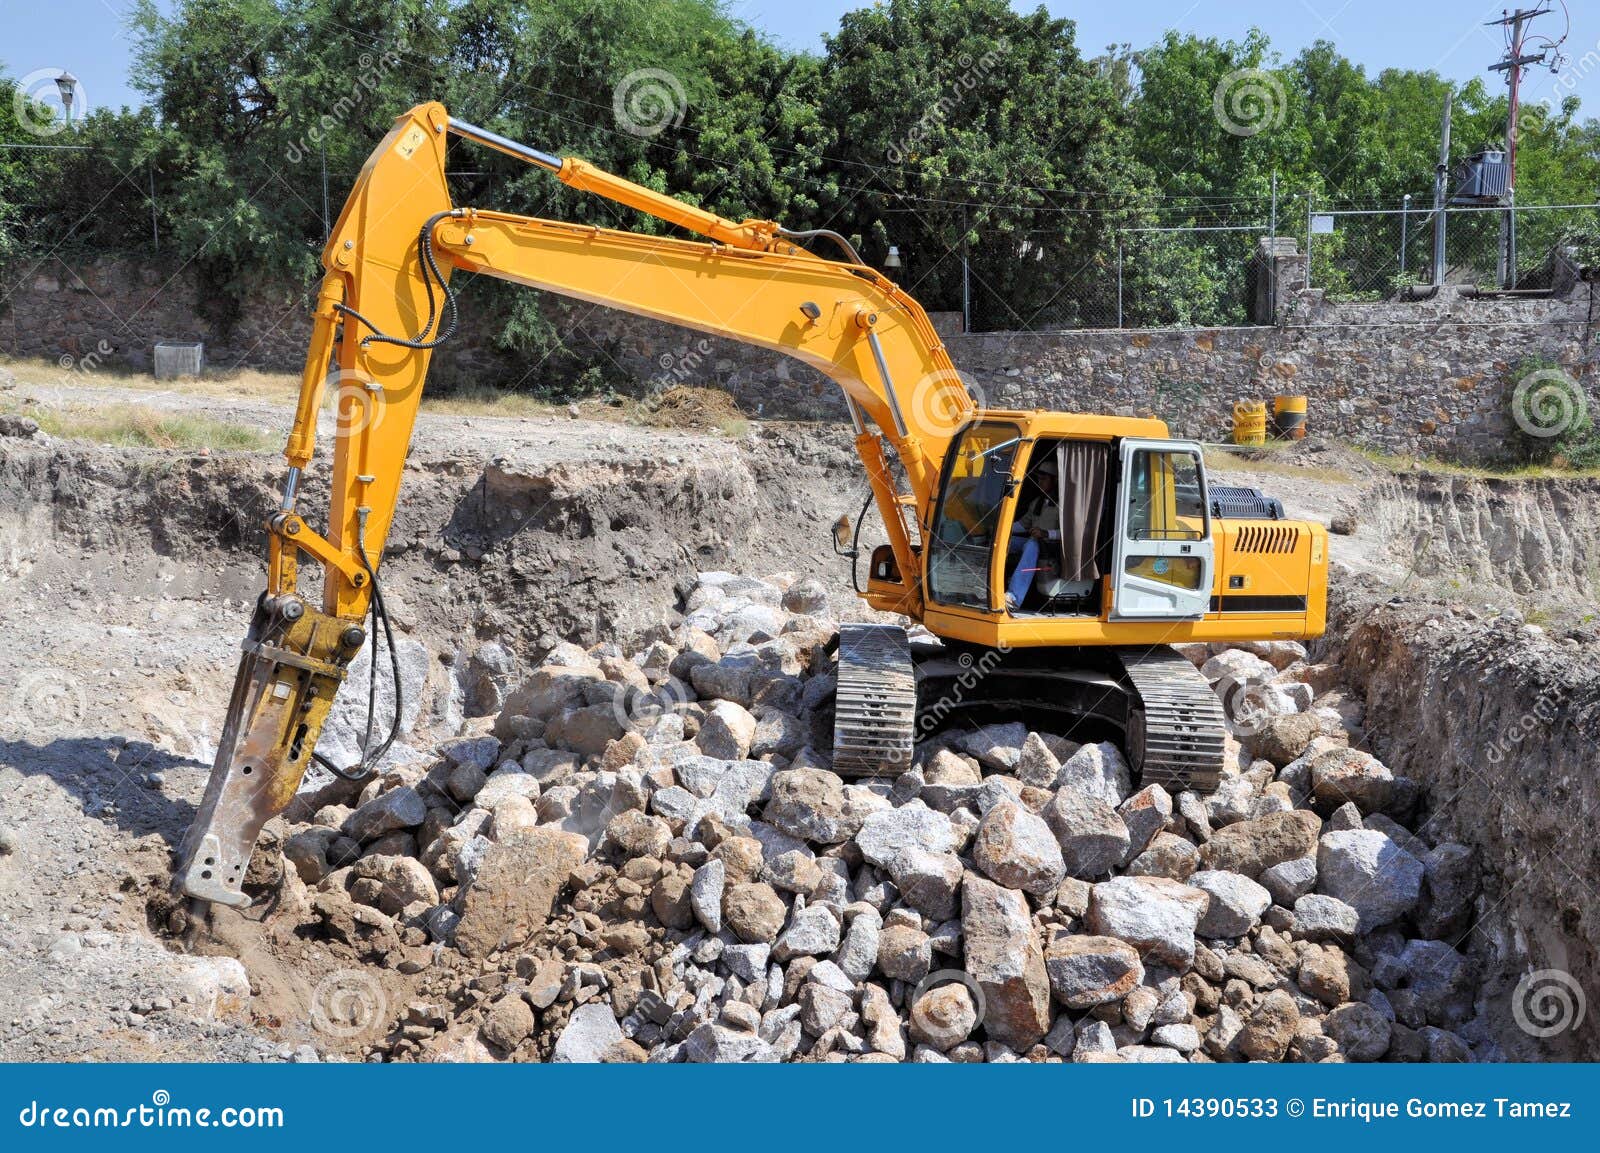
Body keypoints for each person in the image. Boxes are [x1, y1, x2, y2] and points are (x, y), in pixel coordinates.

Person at [1005, 455, 1060, 609]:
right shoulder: (1037, 502)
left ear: (1054, 480)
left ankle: (1014, 597)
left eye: (1044, 479)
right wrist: (999, 530)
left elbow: (1071, 533)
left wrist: (1046, 533)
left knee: (1032, 545)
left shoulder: (1063, 504)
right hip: (1034, 542)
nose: (1040, 482)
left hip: (1052, 547)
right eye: (1039, 479)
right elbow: (1023, 525)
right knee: (1004, 542)